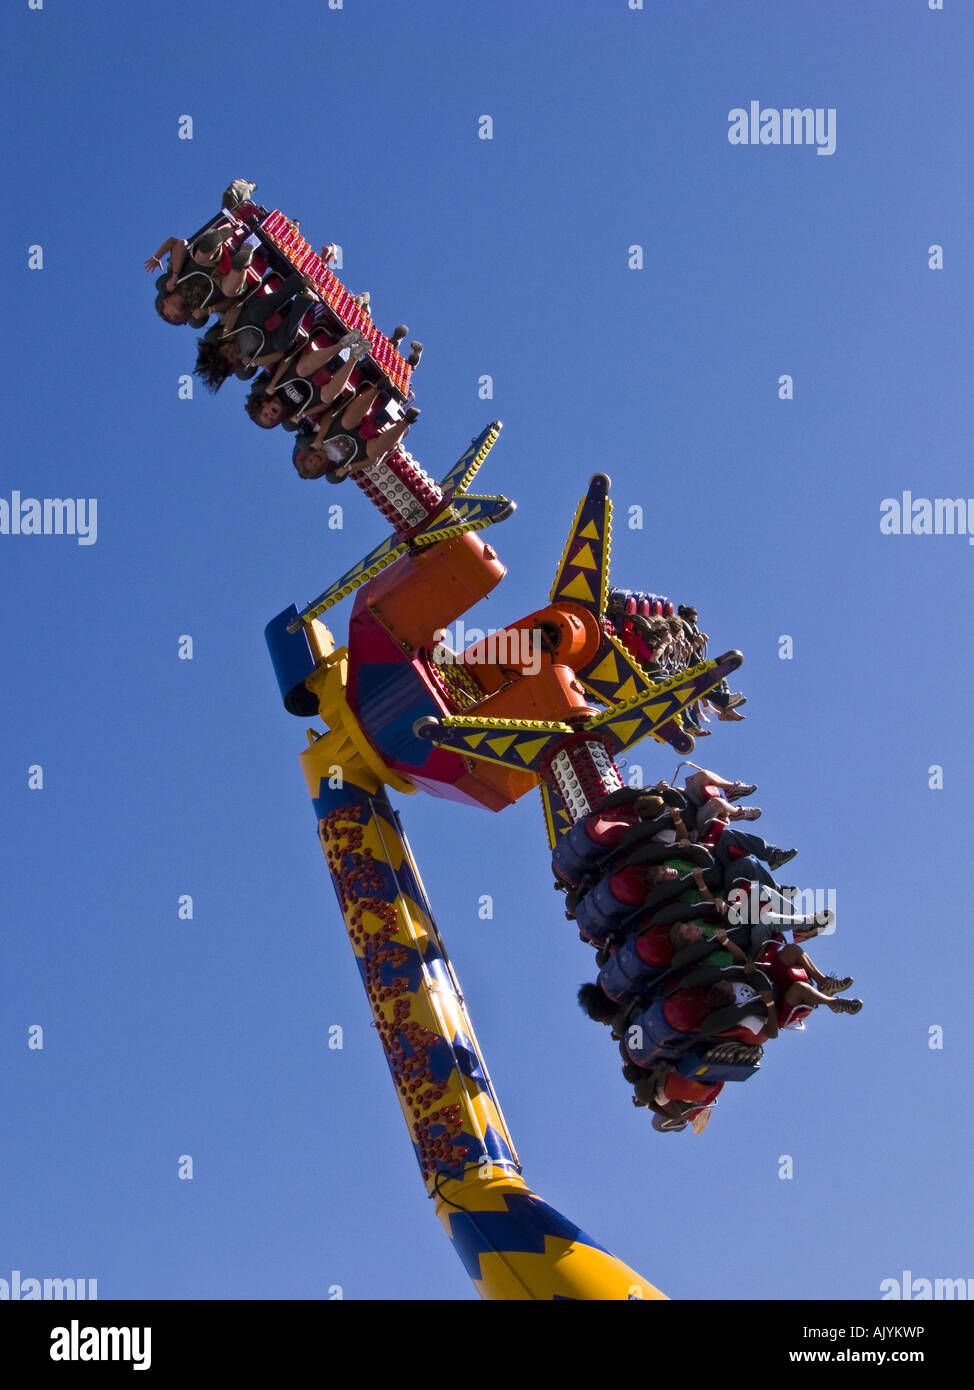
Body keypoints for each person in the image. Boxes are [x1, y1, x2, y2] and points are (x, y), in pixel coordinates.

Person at [194, 273, 325, 391]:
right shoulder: (249, 361)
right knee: (282, 344)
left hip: (255, 313)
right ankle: (305, 299)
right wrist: (256, 361)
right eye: (231, 356)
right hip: (269, 337)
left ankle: (298, 283)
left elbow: (237, 307)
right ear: (234, 362)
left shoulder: (227, 333)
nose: (230, 350)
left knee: (256, 313)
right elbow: (280, 354)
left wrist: (228, 331)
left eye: (225, 350)